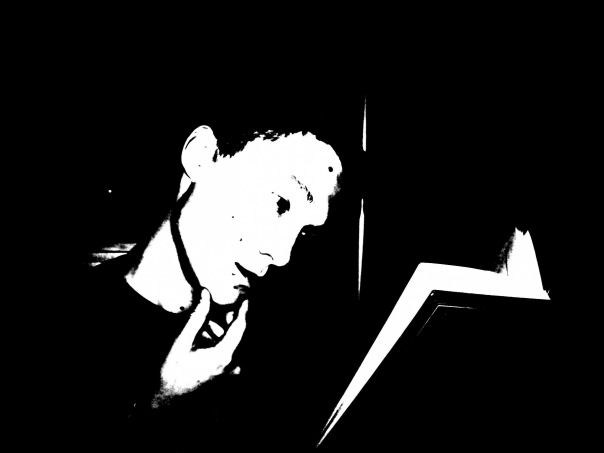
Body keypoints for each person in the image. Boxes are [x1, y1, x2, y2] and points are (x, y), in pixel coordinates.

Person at [62, 123, 346, 451]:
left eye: (304, 231)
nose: (282, 255)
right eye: (280, 203)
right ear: (201, 157)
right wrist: (157, 410)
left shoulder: (278, 352)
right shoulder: (69, 323)